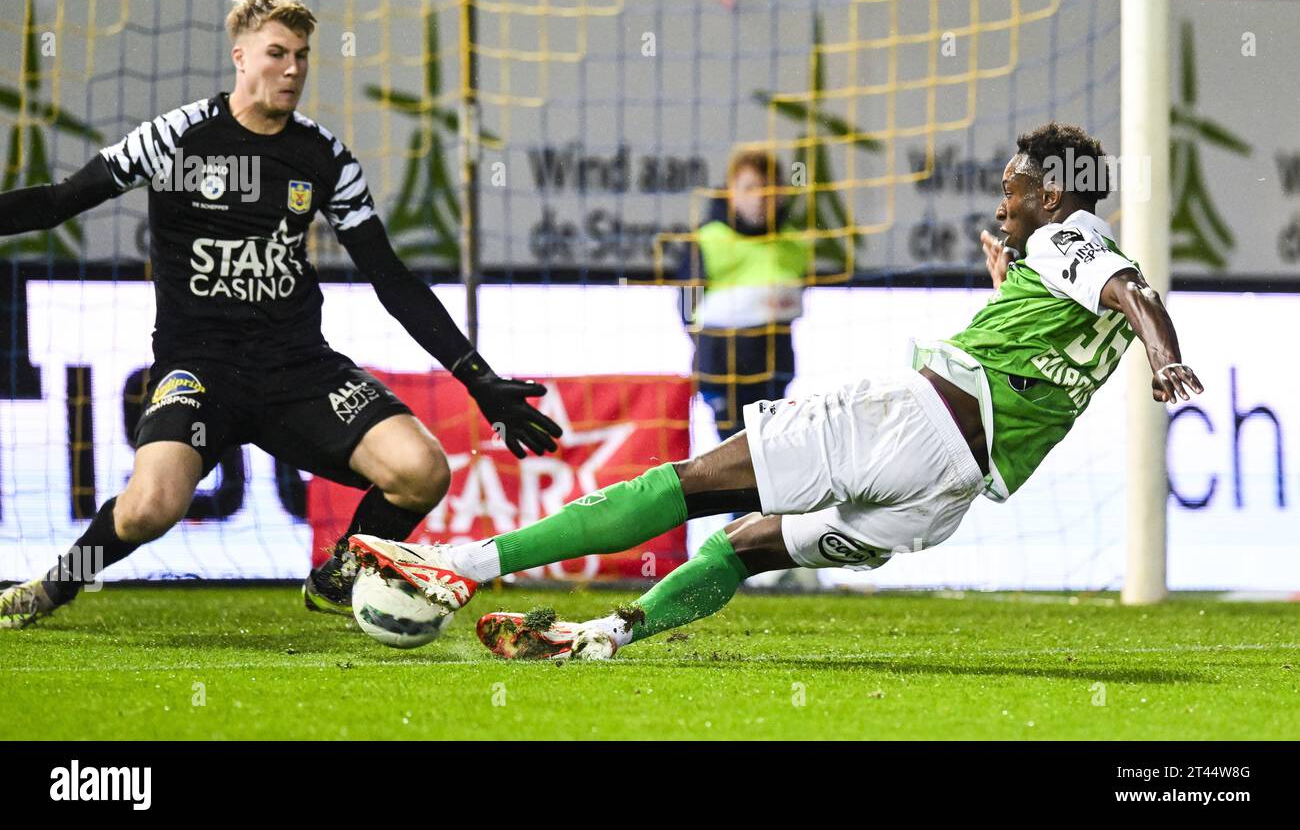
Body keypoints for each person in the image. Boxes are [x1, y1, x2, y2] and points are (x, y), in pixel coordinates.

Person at [348, 122, 1203, 661]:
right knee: (748, 544)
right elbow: (1077, 324)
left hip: (907, 426)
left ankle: (459, 566)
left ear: (1051, 194)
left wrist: (1166, 357)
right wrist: (1011, 291)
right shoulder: (1058, 267)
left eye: (1016, 186)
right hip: (946, 496)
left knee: (684, 486)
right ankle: (610, 634)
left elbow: (1136, 290)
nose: (1004, 198)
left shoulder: (1071, 239)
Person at [0, 0, 561, 629]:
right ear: (240, 57)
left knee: (422, 470)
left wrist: (477, 376)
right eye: (276, 53)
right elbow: (57, 201)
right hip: (200, 370)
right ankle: (50, 589)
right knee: (148, 508)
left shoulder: (323, 157)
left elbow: (391, 277)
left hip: (298, 369)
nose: (292, 69)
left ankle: (337, 575)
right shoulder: (175, 138)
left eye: (301, 55)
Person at [683, 147, 805, 440]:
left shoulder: (794, 243)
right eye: (750, 187)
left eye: (768, 187)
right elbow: (688, 306)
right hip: (721, 369)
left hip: (774, 369)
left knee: (770, 451)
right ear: (731, 191)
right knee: (730, 452)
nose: (760, 196)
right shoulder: (707, 239)